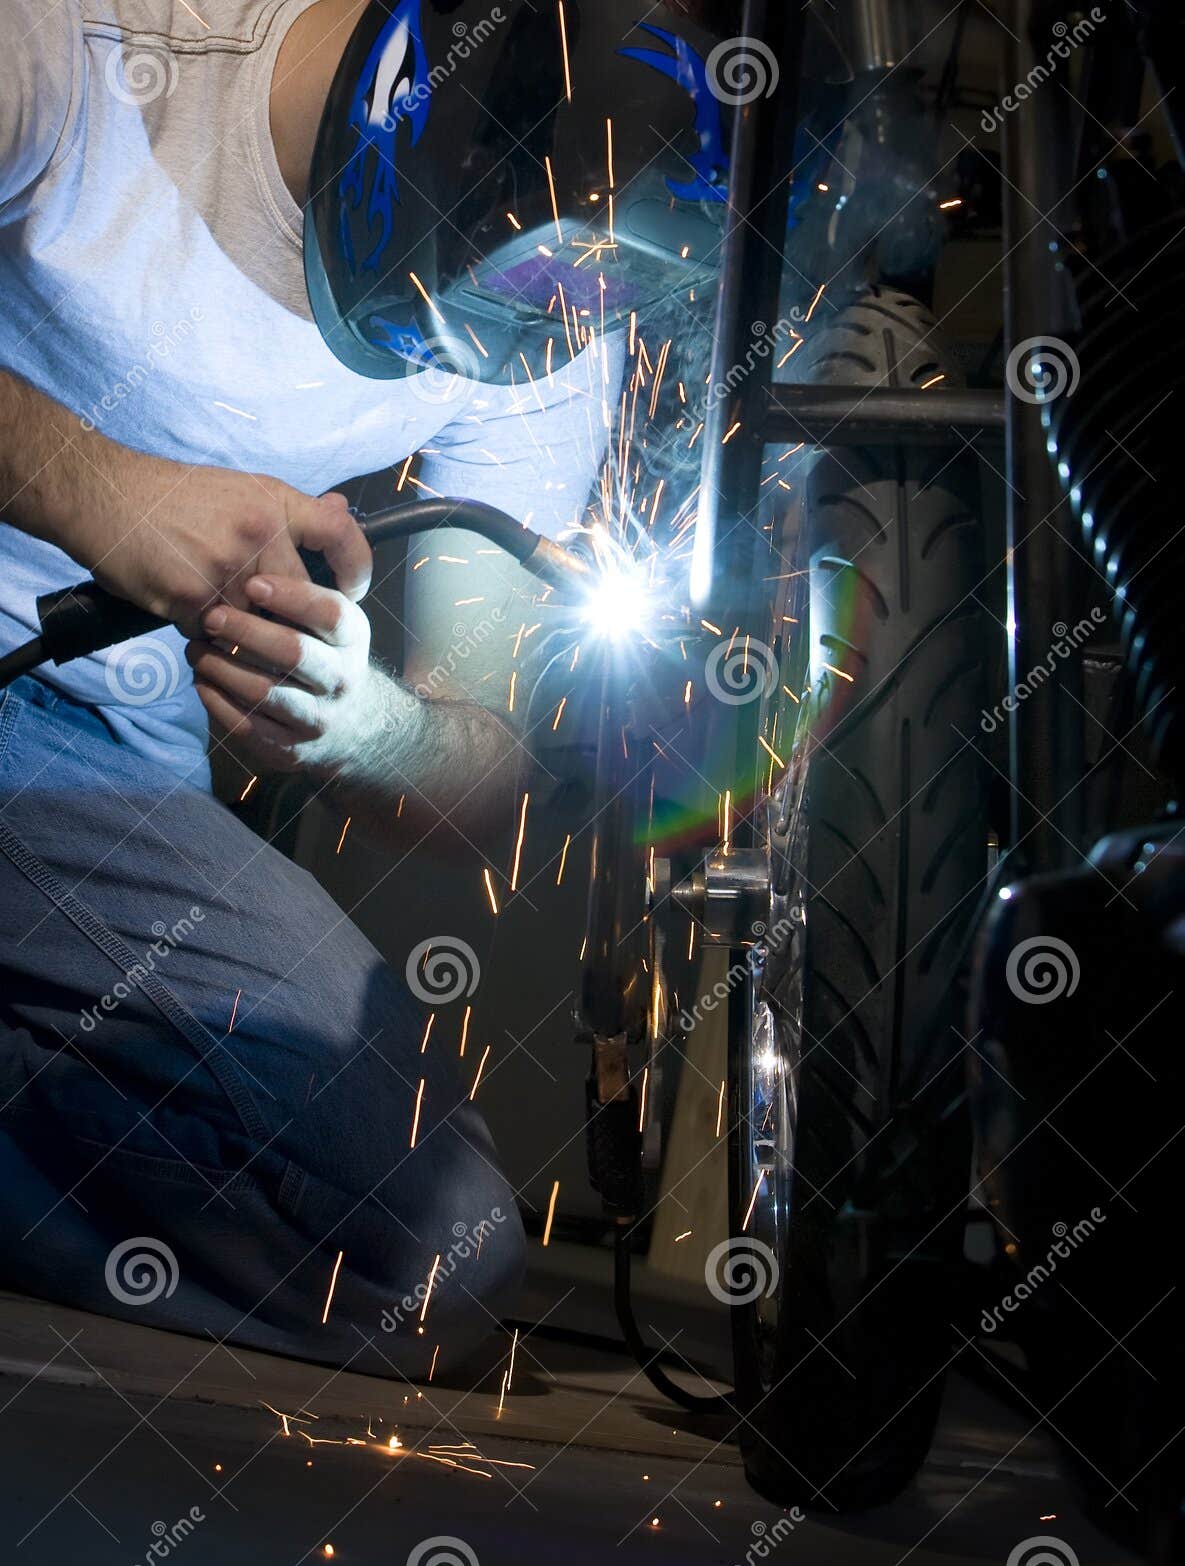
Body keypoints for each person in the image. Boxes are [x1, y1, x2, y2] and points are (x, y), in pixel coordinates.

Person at [0, 0, 737, 1373]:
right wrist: (100, 492)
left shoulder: (558, 305)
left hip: (85, 772)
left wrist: (364, 722)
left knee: (431, 1247)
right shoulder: (90, 45)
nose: (497, 346)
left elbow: (482, 761)